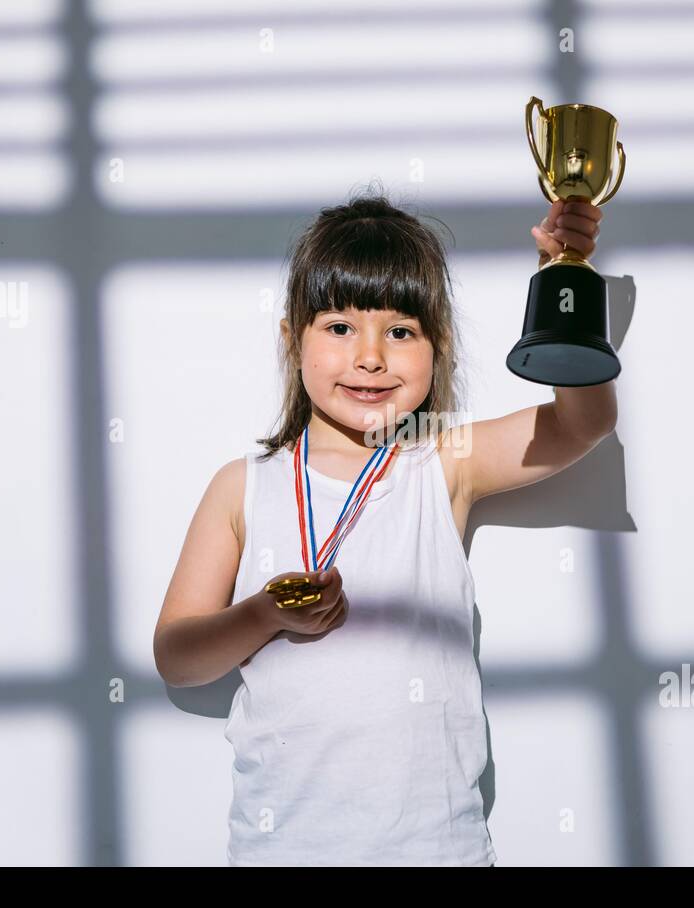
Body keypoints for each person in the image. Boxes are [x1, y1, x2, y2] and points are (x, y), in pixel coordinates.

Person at [154, 186, 617, 865]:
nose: (370, 356)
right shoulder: (242, 486)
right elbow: (176, 655)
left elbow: (584, 423)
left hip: (437, 852)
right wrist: (263, 615)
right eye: (339, 328)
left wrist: (564, 275)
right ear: (292, 339)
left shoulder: (442, 460)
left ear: (439, 348)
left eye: (400, 331)